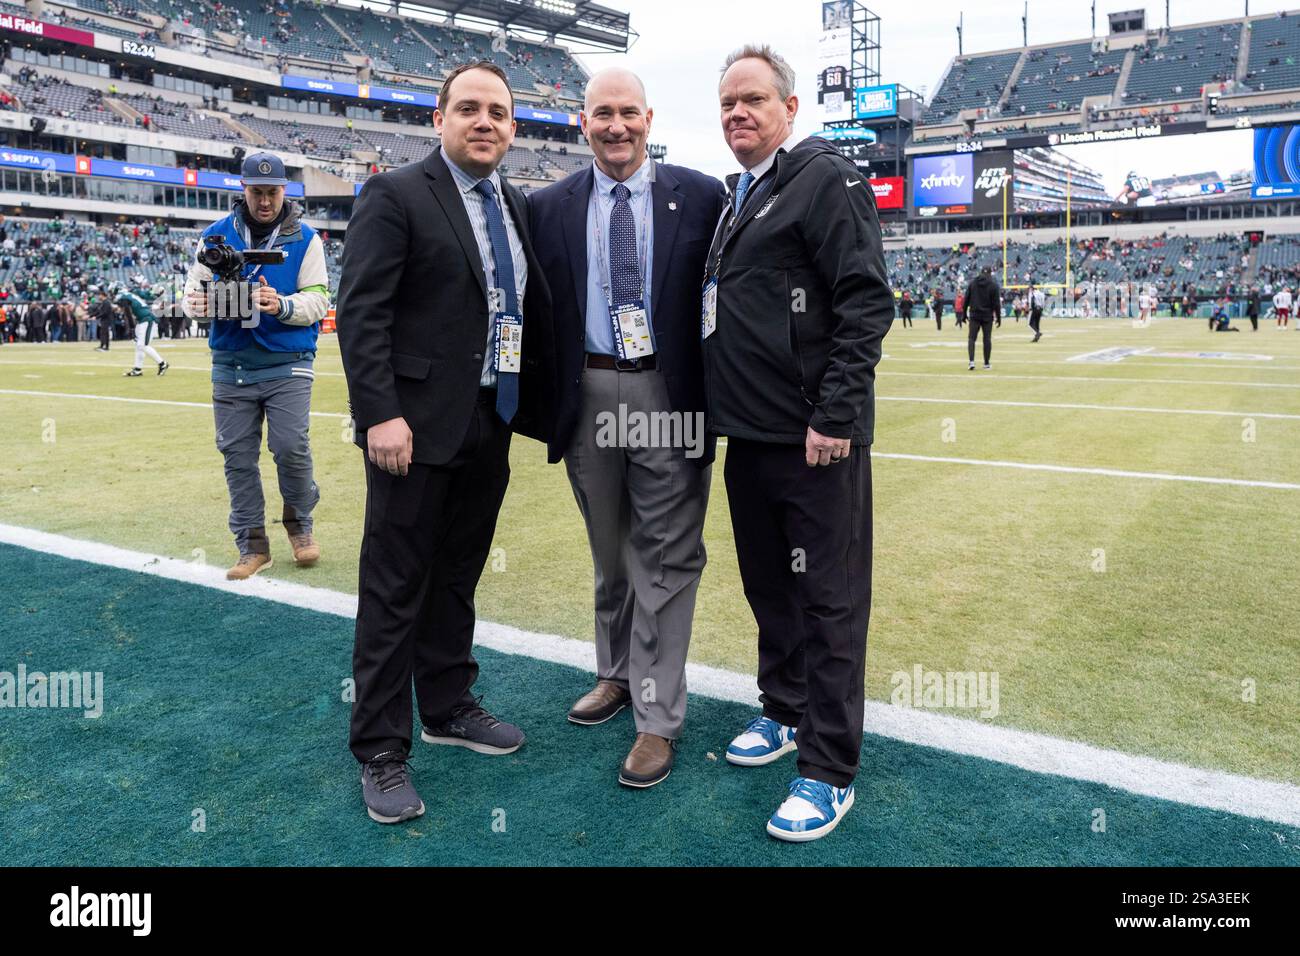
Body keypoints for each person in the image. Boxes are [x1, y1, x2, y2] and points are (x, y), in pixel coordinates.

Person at [335, 61, 556, 826]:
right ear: (438, 118)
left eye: (498, 111)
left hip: (489, 420)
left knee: (457, 576)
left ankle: (448, 705)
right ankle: (381, 749)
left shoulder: (515, 204)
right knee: (394, 588)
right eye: (469, 108)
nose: (485, 121)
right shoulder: (395, 195)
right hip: (412, 429)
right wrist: (379, 415)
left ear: (514, 128)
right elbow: (361, 314)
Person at [706, 45, 892, 842]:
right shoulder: (741, 192)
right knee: (770, 591)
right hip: (750, 436)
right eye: (727, 104)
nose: (737, 113)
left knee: (828, 601)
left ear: (789, 108)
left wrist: (837, 417)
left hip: (814, 439)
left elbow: (865, 302)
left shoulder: (825, 177)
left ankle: (827, 767)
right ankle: (783, 711)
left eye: (753, 99)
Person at [527, 68, 725, 788]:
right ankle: (614, 672)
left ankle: (655, 716)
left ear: (650, 118)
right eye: (602, 114)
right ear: (584, 122)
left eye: (628, 113)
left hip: (665, 392)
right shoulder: (547, 205)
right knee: (610, 549)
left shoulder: (701, 195)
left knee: (665, 559)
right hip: (586, 388)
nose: (617, 126)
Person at [182, 151, 328, 580]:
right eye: (257, 192)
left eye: (273, 192)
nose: (265, 201)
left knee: (290, 447)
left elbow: (319, 300)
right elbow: (191, 294)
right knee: (237, 457)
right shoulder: (213, 236)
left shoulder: (308, 239)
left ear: (285, 190)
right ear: (243, 190)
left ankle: (300, 523)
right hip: (230, 363)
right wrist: (195, 305)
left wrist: (278, 304)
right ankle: (252, 545)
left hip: (288, 360)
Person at [118, 284, 168, 377]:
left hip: (147, 320)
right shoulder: (130, 295)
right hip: (143, 320)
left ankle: (162, 363)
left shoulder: (124, 297)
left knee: (143, 345)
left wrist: (132, 328)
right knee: (139, 346)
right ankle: (137, 369)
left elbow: (128, 313)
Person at [962, 265, 1001, 370]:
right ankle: (986, 363)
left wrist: (964, 314)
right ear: (990, 273)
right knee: (987, 339)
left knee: (971, 338)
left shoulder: (973, 283)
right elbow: (997, 303)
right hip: (987, 316)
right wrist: (998, 317)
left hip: (974, 314)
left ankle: (971, 362)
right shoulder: (993, 285)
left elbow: (966, 299)